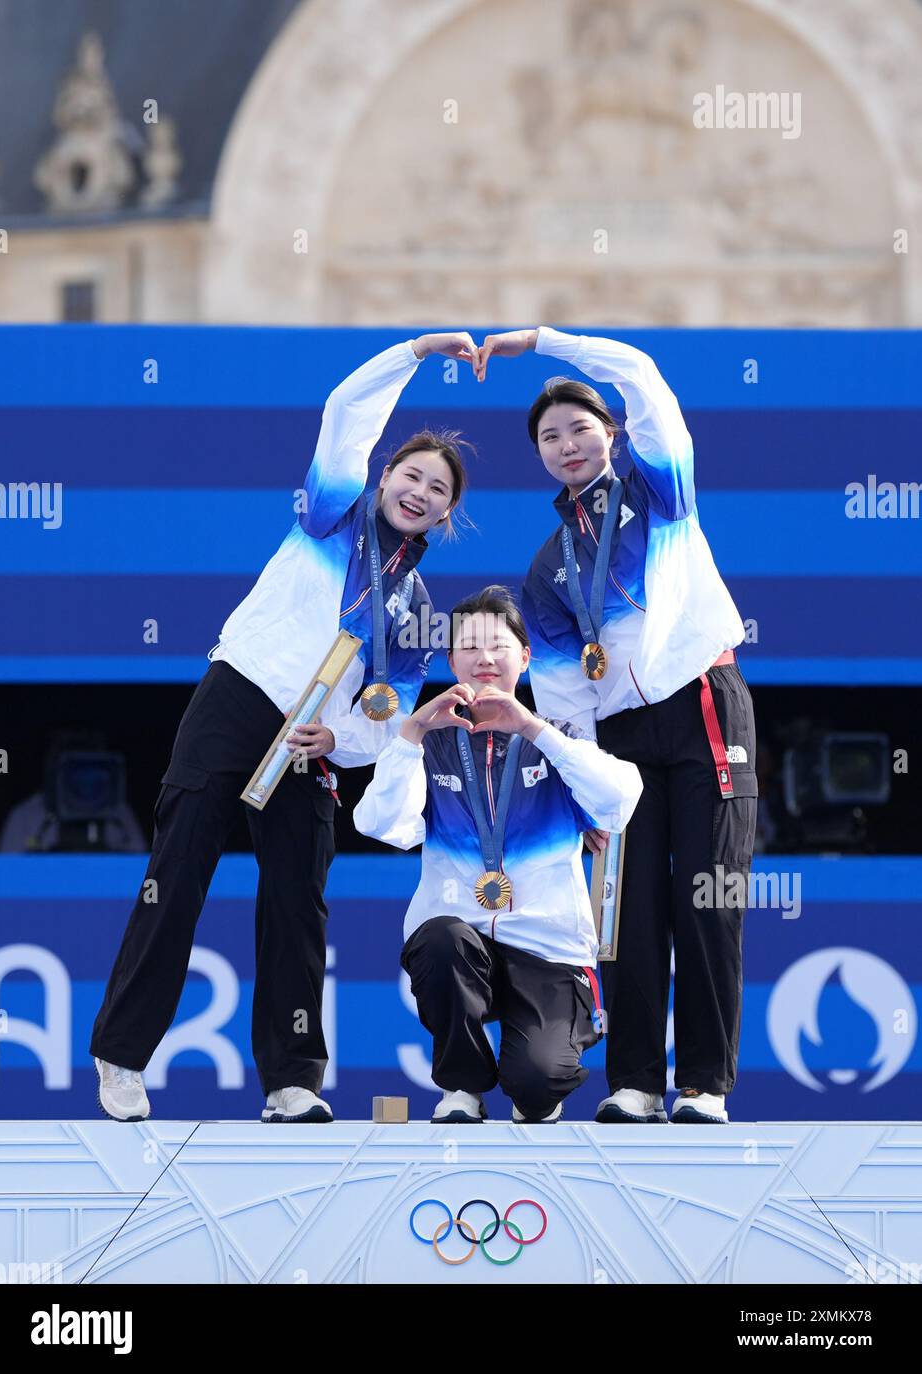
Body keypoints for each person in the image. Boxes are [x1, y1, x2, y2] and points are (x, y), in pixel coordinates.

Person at [90, 331, 478, 1123]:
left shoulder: (417, 610)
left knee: (298, 899)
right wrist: (416, 351)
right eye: (411, 475)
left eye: (437, 489)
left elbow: (392, 713)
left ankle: (292, 1079)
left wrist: (340, 741)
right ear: (381, 478)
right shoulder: (331, 515)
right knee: (179, 869)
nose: (420, 492)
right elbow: (345, 411)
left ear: (446, 514)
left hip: (311, 744)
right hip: (240, 696)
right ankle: (122, 1057)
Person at [474, 327, 756, 1125]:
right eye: (548, 437)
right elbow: (562, 694)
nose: (565, 445)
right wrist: (587, 786)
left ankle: (703, 1084)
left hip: (701, 702)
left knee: (705, 893)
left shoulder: (660, 489)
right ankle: (633, 1081)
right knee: (626, 910)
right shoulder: (544, 567)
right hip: (621, 740)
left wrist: (545, 342)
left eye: (579, 429)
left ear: (614, 435)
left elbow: (640, 373)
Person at [353, 586, 643, 1122]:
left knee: (536, 1086)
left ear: (525, 657)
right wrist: (411, 732)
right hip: (462, 940)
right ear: (451, 659)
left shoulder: (558, 736)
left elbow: (620, 800)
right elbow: (382, 826)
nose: (485, 658)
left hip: (548, 946)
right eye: (470, 646)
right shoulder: (430, 742)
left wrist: (533, 728)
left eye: (499, 645)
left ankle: (535, 1073)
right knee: (440, 938)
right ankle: (462, 1087)